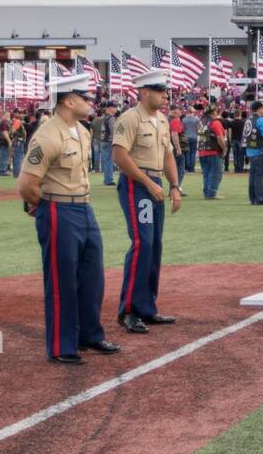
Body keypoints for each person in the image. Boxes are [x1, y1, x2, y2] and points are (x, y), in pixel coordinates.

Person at [16, 73, 121, 365]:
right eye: (85, 97)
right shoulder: (48, 134)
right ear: (68, 100)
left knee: (92, 278)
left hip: (84, 208)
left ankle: (90, 334)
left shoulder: (83, 131)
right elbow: (26, 184)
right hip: (58, 209)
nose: (91, 101)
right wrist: (43, 205)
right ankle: (62, 345)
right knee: (62, 281)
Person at [112, 70, 181, 334]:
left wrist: (174, 185)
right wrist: (147, 182)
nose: (165, 95)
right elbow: (119, 155)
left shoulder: (162, 120)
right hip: (137, 185)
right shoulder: (130, 118)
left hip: (155, 186)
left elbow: (167, 156)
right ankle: (128, 310)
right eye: (159, 90)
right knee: (143, 243)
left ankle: (147, 306)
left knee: (155, 246)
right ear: (143, 92)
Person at [244, 100, 263, 205]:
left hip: (250, 151)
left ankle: (253, 198)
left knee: (252, 176)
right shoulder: (261, 120)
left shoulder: (249, 119)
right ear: (259, 109)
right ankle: (260, 198)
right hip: (260, 151)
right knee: (259, 176)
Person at [197, 103, 228, 199]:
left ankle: (207, 192)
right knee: (215, 173)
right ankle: (212, 193)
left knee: (206, 174)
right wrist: (224, 148)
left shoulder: (201, 122)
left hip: (202, 151)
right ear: (214, 112)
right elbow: (219, 138)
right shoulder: (215, 122)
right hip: (213, 151)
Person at [99, 100, 118, 185]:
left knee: (106, 161)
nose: (116, 109)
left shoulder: (104, 117)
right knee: (109, 161)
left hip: (103, 140)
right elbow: (113, 130)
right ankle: (109, 179)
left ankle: (107, 179)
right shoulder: (110, 118)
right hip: (109, 140)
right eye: (115, 107)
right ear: (110, 108)